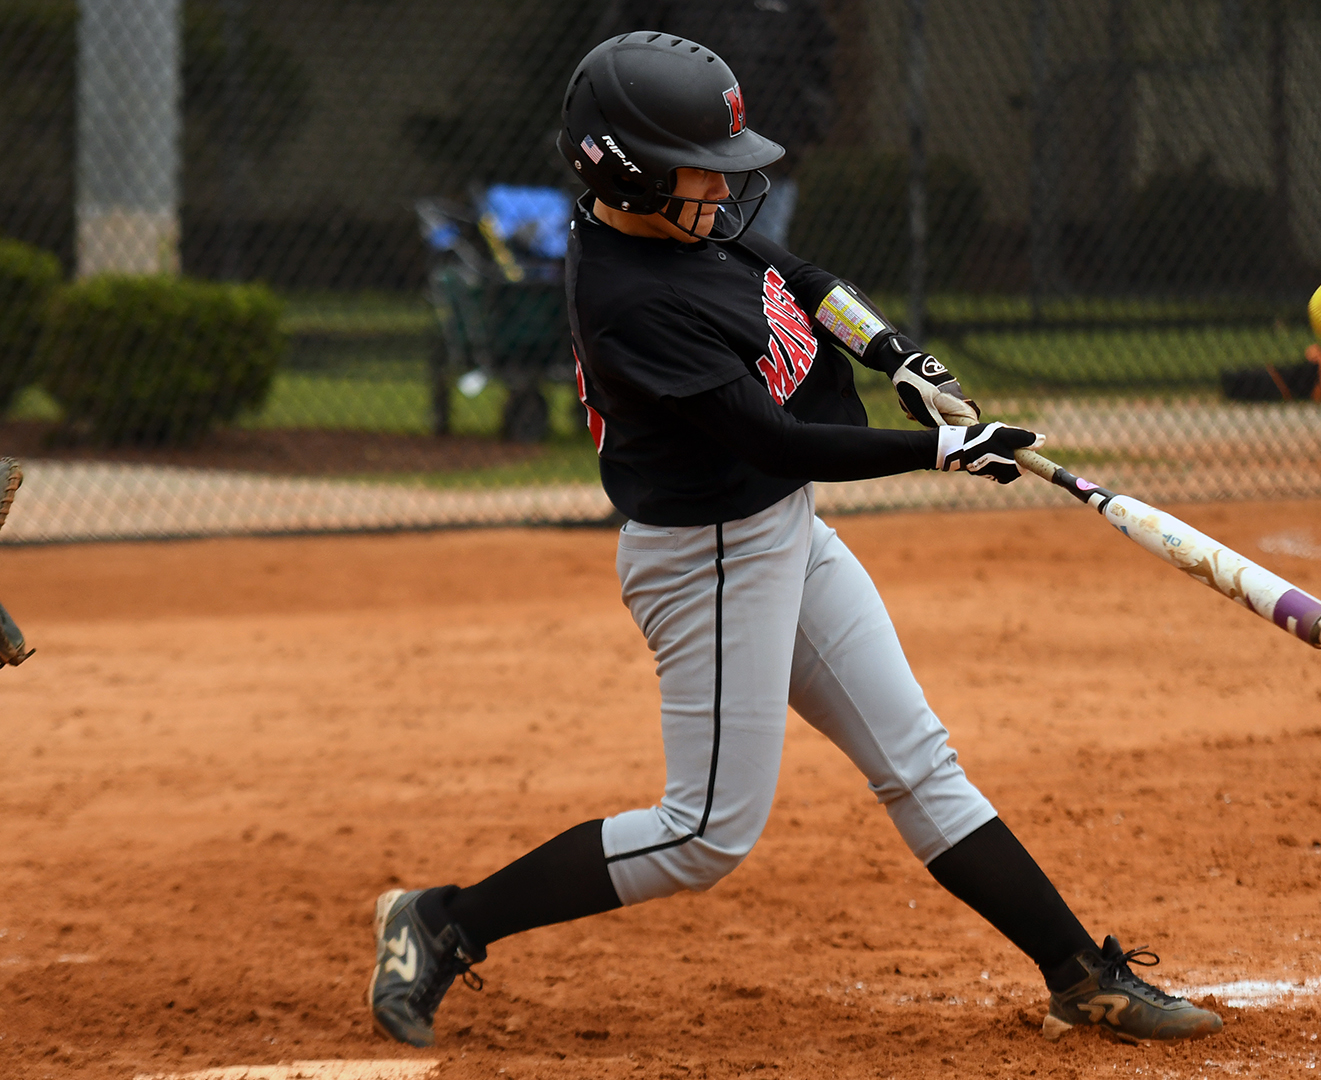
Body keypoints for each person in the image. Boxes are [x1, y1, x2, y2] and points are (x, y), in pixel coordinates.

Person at [365, 33, 1223, 1051]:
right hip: (710, 559)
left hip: (777, 529)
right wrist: (942, 448)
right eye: (701, 169)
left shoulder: (684, 226)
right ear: (627, 171)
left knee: (919, 762)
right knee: (703, 834)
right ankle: (443, 921)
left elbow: (799, 276)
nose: (727, 193)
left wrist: (894, 352)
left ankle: (1081, 978)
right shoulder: (634, 299)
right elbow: (775, 437)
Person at [611, 0, 835, 246]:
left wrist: (803, 132)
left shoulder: (799, 9)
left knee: (759, 256)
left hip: (769, 153)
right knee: (674, 247)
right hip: (683, 155)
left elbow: (819, 60)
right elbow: (624, 50)